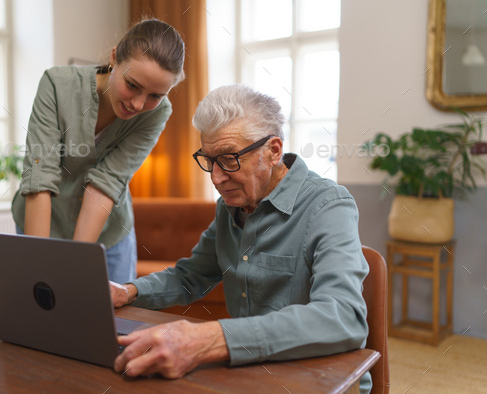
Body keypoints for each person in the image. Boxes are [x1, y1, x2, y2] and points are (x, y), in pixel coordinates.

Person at [110, 84, 372, 393]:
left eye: (229, 159)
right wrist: (128, 292)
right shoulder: (230, 206)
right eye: (209, 160)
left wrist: (212, 338)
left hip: (318, 377)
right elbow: (188, 277)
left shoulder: (329, 206)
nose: (216, 178)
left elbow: (343, 318)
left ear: (273, 151)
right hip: (247, 374)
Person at [12, 19, 185, 284]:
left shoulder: (158, 113)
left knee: (110, 323)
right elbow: (40, 177)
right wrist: (39, 268)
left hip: (108, 236)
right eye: (133, 85)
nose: (139, 104)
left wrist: (77, 265)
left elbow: (106, 183)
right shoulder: (57, 85)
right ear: (115, 58)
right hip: (40, 225)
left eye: (155, 95)